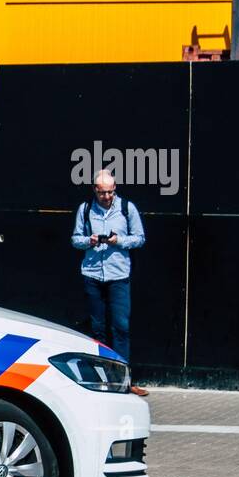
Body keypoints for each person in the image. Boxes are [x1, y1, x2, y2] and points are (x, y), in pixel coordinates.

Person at [71, 169, 148, 397]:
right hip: (93, 274)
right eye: (102, 192)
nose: (106, 197)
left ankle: (123, 380)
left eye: (110, 192)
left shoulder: (127, 208)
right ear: (95, 190)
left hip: (118, 275)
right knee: (97, 330)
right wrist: (89, 241)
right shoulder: (85, 209)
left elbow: (140, 238)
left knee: (121, 328)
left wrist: (118, 241)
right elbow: (75, 239)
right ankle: (98, 380)